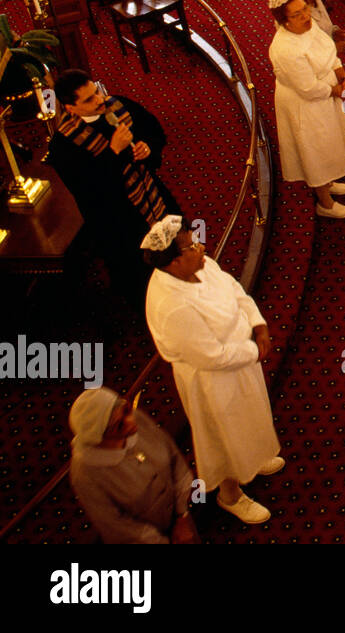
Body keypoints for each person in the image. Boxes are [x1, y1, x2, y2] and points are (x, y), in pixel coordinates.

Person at [142, 216, 283, 525]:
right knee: (224, 435)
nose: (201, 246)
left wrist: (257, 323)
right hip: (212, 380)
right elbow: (212, 356)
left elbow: (233, 289)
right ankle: (230, 495)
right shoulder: (172, 306)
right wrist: (254, 350)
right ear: (175, 262)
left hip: (240, 360)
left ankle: (255, 457)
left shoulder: (200, 266)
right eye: (192, 246)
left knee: (250, 415)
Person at [48, 69, 181, 308]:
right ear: (71, 108)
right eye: (88, 99)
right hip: (118, 221)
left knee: (177, 243)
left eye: (96, 92)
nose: (99, 100)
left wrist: (148, 148)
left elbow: (154, 131)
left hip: (151, 194)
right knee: (141, 276)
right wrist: (114, 152)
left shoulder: (119, 106)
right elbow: (91, 192)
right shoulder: (63, 146)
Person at [68, 388, 198, 544]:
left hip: (181, 518)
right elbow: (116, 525)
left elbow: (174, 457)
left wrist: (182, 516)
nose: (131, 421)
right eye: (119, 426)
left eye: (127, 410)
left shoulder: (134, 419)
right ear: (98, 438)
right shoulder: (85, 474)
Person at [268, 0, 345, 217]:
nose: (305, 16)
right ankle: (324, 203)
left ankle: (327, 182)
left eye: (305, 9)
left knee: (328, 140)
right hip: (304, 103)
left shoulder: (309, 24)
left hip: (323, 95)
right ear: (284, 20)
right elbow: (308, 88)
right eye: (296, 15)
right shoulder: (285, 49)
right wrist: (336, 89)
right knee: (314, 149)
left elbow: (329, 51)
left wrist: (342, 74)